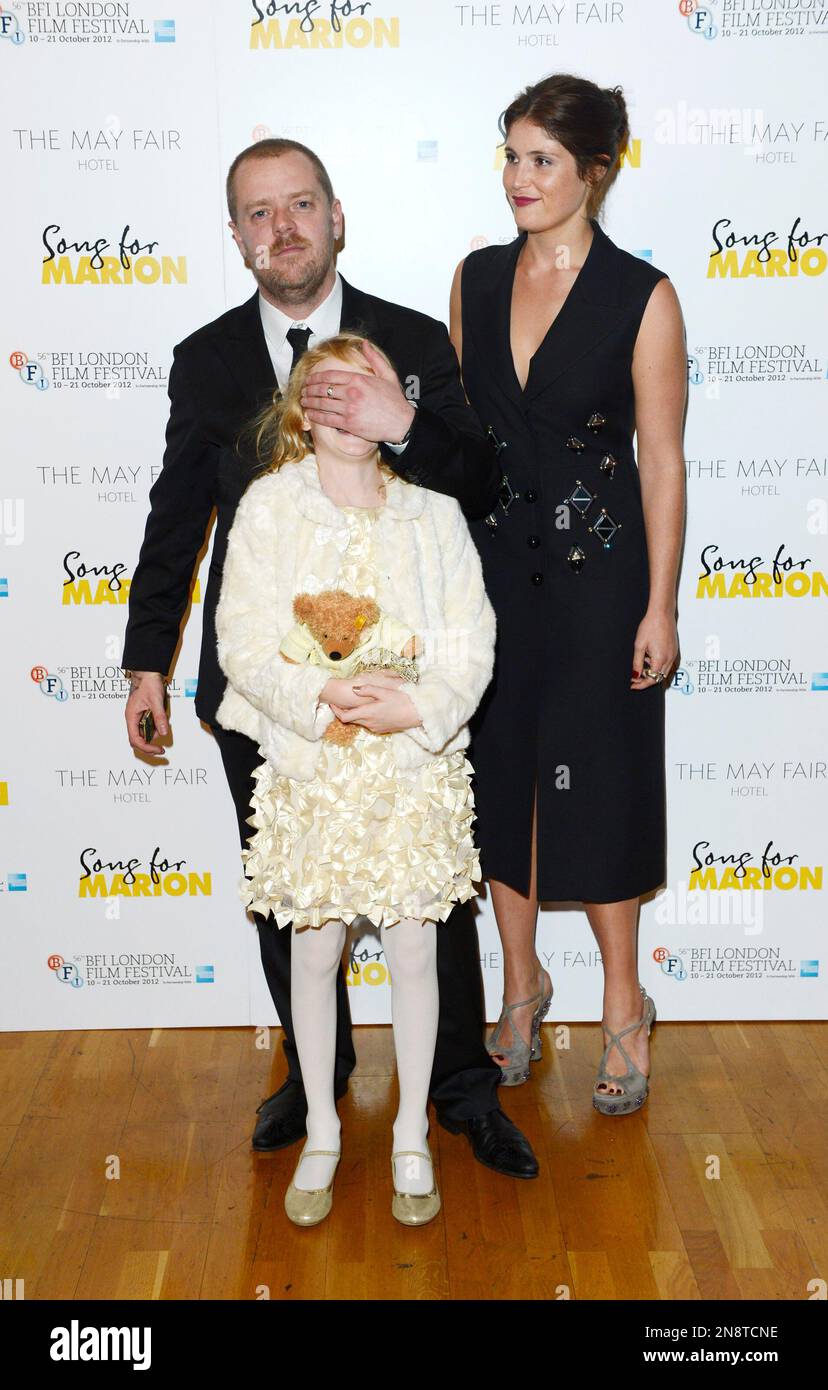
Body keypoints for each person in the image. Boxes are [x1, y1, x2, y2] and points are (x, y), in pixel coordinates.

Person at [121, 137, 538, 1178]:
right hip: (273, 692)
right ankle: (316, 1086)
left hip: (403, 690)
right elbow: (177, 520)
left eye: (300, 204)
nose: (283, 227)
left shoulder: (405, 338)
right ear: (236, 236)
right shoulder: (206, 358)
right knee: (289, 897)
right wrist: (143, 662)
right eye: (259, 213)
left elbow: (480, 486)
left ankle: (458, 1092)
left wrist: (402, 422)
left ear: (336, 215)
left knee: (424, 900)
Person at [214, 331, 495, 1225]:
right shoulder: (268, 508)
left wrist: (421, 709)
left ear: (391, 400)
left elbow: (471, 639)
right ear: (301, 406)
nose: (345, 402)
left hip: (414, 772)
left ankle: (411, 1131)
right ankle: (325, 1131)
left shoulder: (434, 516)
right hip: (311, 769)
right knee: (315, 947)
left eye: (364, 383)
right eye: (325, 388)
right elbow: (241, 641)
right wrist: (320, 693)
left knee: (416, 950)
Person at [450, 75, 686, 1113]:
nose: (519, 179)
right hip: (493, 576)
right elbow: (460, 441)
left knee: (599, 795)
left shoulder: (644, 295)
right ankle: (520, 988)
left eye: (541, 159)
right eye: (509, 155)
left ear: (597, 169)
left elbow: (664, 462)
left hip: (600, 585)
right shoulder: (475, 278)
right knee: (499, 788)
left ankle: (624, 1005)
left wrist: (661, 605)